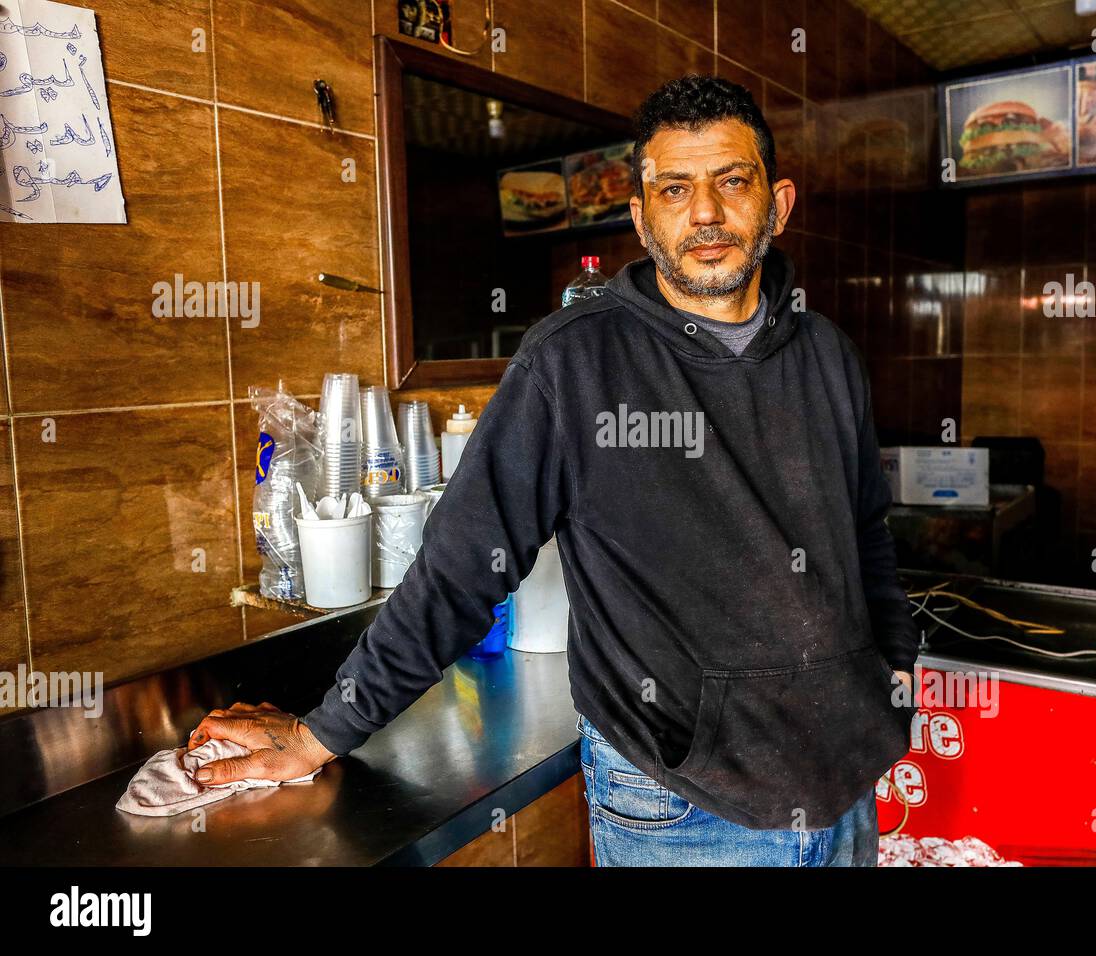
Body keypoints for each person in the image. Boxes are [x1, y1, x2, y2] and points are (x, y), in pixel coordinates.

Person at [187, 74, 919, 867]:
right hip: (684, 805)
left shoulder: (828, 354)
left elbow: (866, 539)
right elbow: (461, 568)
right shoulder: (573, 362)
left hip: (843, 781)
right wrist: (322, 730)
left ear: (777, 204)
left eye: (730, 182)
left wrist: (888, 684)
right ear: (641, 217)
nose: (705, 213)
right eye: (674, 189)